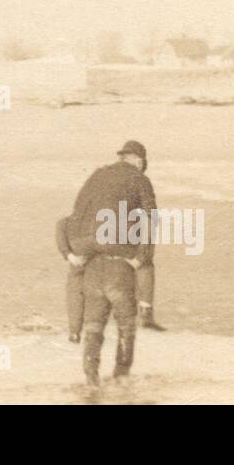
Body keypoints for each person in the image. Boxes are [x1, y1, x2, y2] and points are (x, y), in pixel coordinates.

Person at [54, 140, 159, 386]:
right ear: (139, 161)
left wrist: (74, 250)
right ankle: (121, 377)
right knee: (125, 322)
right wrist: (141, 257)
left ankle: (90, 376)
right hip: (119, 259)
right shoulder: (140, 179)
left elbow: (77, 210)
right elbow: (151, 218)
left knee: (94, 322)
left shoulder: (97, 175)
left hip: (89, 259)